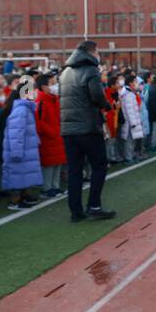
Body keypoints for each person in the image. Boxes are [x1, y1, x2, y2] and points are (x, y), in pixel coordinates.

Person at [58, 41, 115, 222]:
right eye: (98, 51)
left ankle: (76, 211)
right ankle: (94, 206)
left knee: (75, 171)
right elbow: (97, 96)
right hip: (88, 127)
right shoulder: (90, 71)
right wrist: (106, 105)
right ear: (92, 52)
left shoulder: (65, 72)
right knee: (99, 165)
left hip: (68, 129)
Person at [2, 82, 42, 211]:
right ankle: (15, 200)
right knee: (17, 174)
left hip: (25, 147)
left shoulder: (25, 107)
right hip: (20, 149)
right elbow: (16, 131)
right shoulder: (21, 109)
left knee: (23, 174)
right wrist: (16, 151)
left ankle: (23, 196)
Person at [34, 72, 66, 197]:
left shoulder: (54, 99)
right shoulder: (41, 101)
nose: (55, 86)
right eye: (52, 83)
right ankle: (46, 188)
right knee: (49, 164)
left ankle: (55, 186)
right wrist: (53, 132)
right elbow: (40, 122)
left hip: (58, 135)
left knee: (58, 162)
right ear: (43, 86)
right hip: (49, 138)